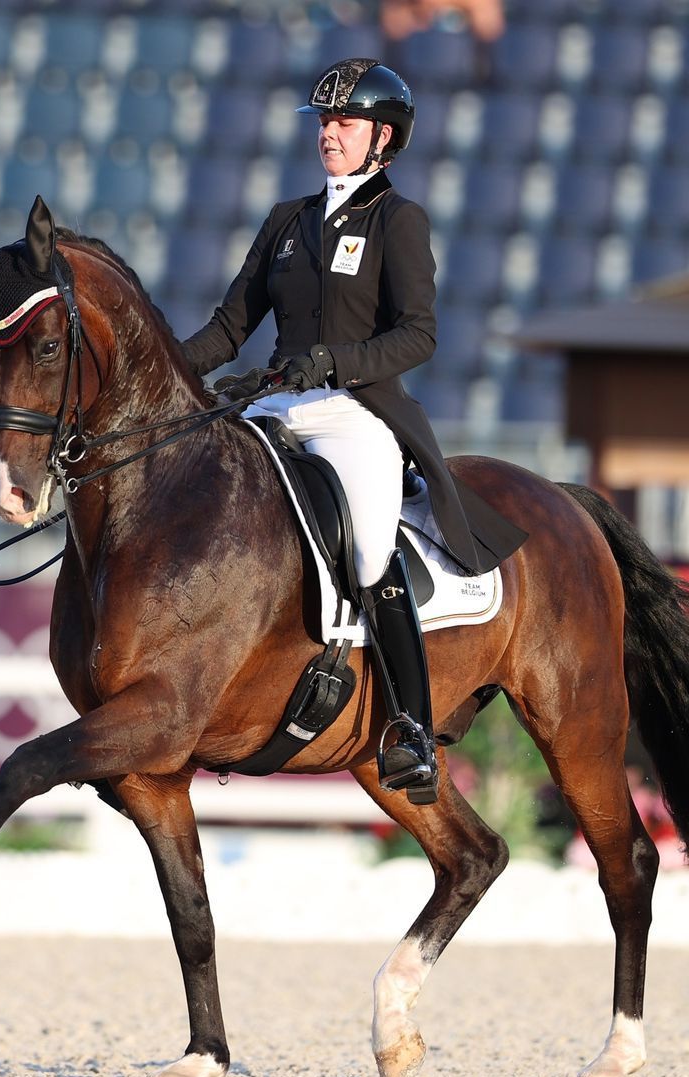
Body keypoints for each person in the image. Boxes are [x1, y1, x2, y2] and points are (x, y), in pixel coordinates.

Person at [180, 59, 527, 797]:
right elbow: (227, 328)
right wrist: (159, 371)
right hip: (274, 405)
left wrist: (334, 362)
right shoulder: (286, 220)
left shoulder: (398, 221)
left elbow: (418, 335)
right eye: (324, 123)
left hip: (354, 414)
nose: (328, 135)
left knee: (371, 550)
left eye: (343, 123)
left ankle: (408, 725)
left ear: (383, 138)